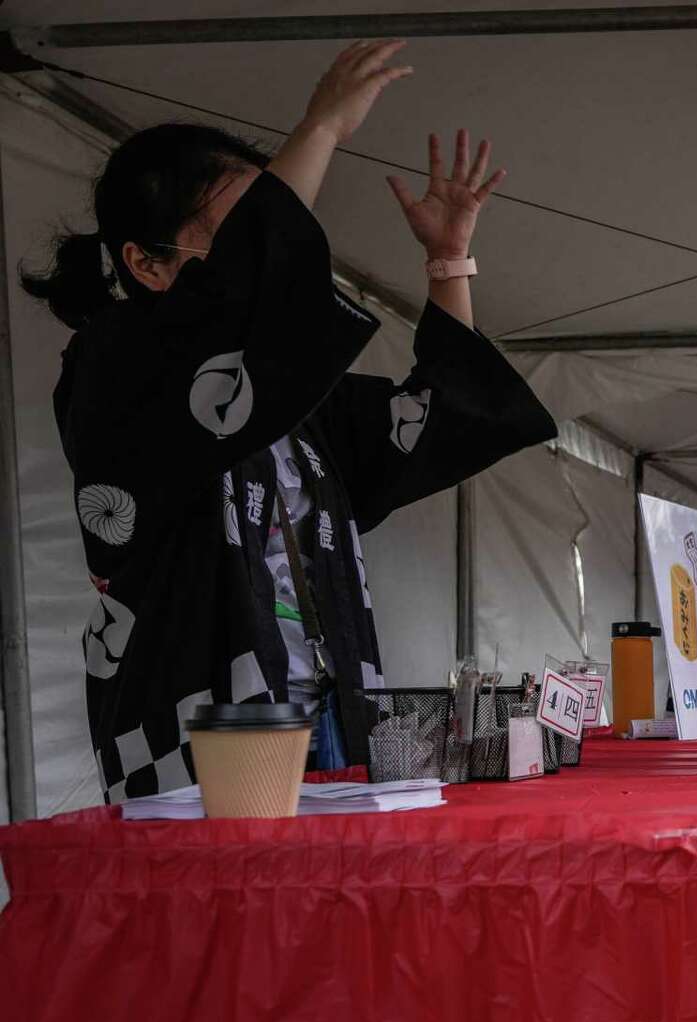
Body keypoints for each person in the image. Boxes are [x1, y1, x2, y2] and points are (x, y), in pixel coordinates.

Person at [23, 43, 558, 797]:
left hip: (329, 704)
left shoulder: (288, 394)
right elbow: (233, 304)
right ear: (144, 264)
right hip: (198, 719)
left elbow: (429, 420)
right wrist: (320, 131)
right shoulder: (114, 364)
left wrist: (449, 263)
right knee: (220, 909)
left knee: (322, 905)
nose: (266, 256)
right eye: (237, 233)